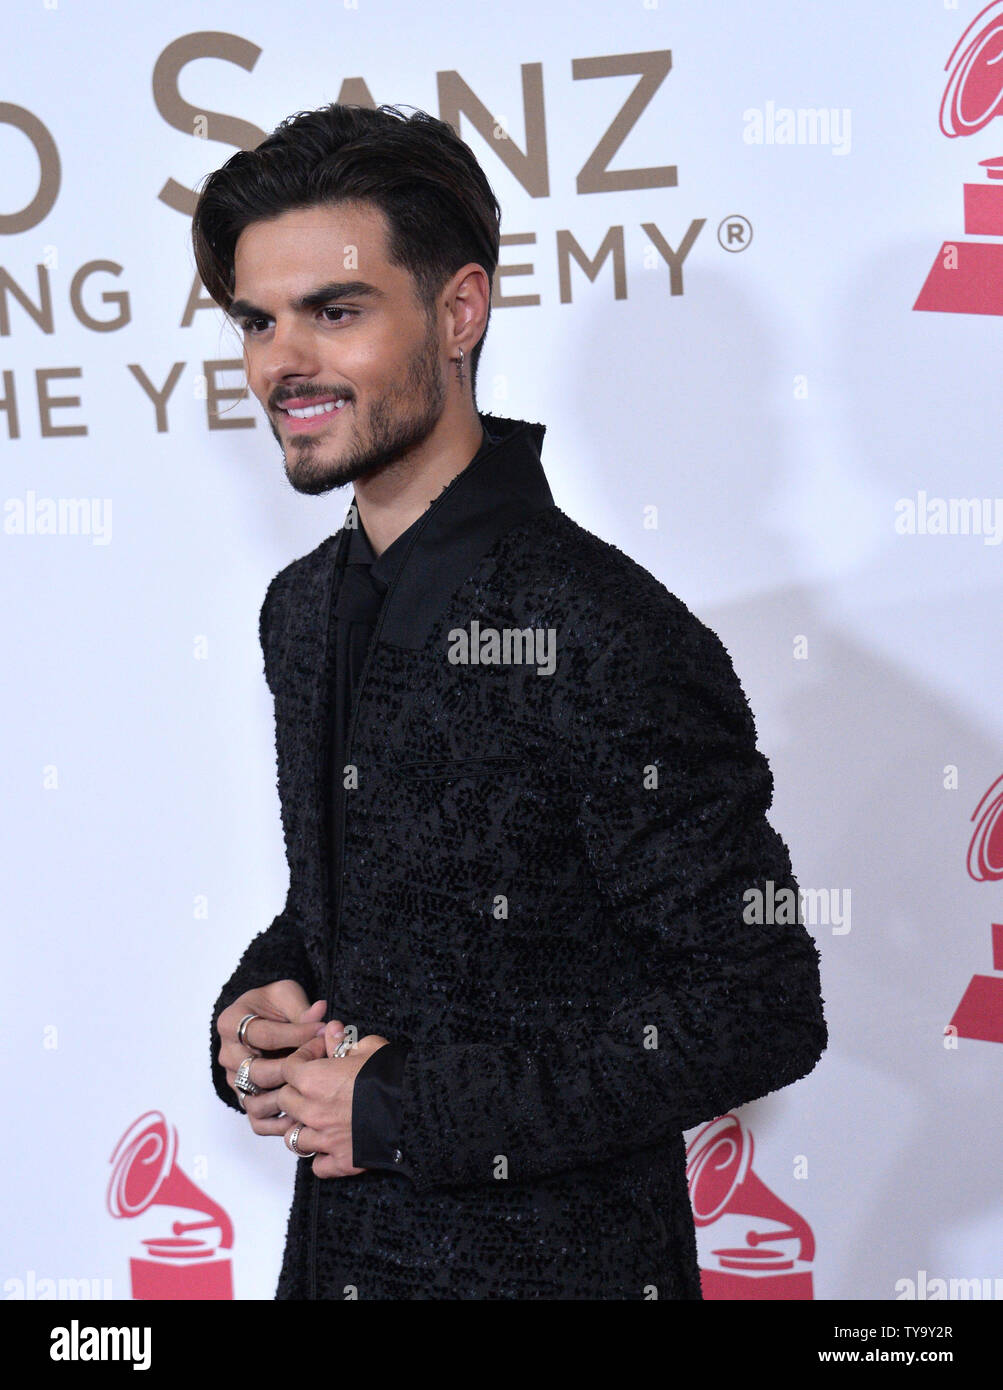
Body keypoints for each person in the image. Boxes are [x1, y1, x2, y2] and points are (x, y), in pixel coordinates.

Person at [194, 102, 827, 1300]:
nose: (284, 361)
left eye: (336, 311)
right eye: (257, 321)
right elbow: (354, 903)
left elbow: (757, 1007)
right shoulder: (302, 611)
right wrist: (255, 1004)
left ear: (458, 312)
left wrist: (406, 1108)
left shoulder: (609, 630)